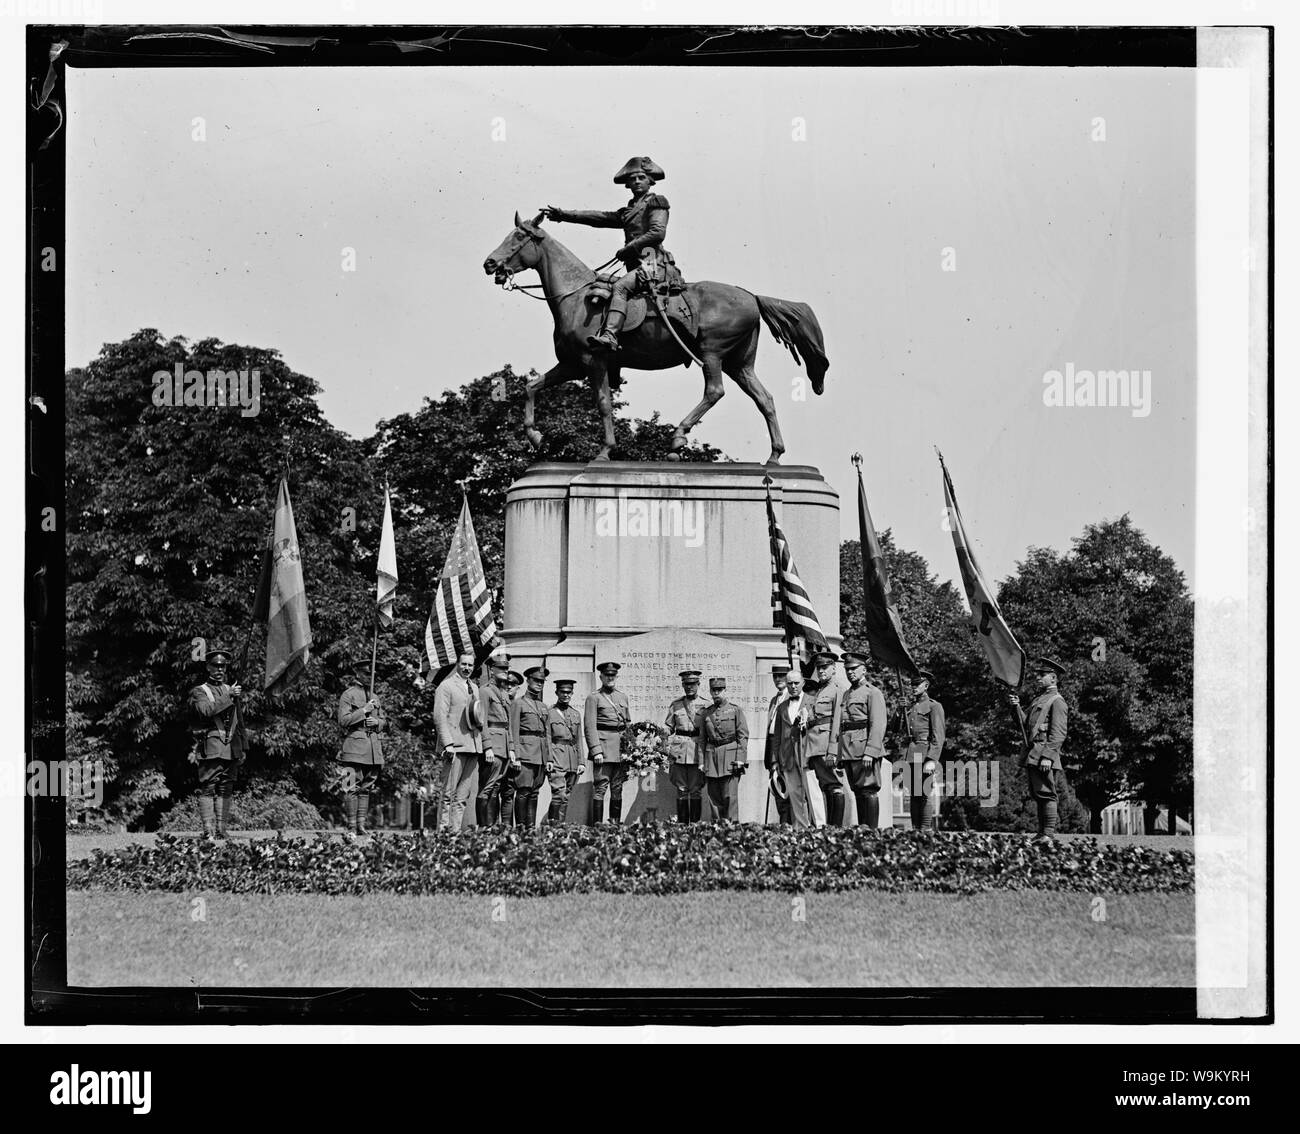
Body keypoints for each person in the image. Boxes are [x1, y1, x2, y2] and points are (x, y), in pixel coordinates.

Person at [542, 156, 673, 351]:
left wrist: (629, 248)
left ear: (650, 181)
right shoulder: (629, 210)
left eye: (641, 177)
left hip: (653, 264)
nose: (637, 181)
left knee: (620, 288)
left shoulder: (656, 202)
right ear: (627, 184)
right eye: (633, 179)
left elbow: (657, 233)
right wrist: (563, 215)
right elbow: (599, 218)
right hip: (637, 266)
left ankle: (610, 336)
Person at [188, 648, 246, 839]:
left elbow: (239, 721)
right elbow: (206, 711)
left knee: (226, 787)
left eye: (223, 666)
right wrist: (229, 695)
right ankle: (207, 830)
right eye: (216, 665)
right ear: (208, 667)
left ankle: (221, 830)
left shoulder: (230, 689)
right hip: (212, 745)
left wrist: (242, 747)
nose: (220, 669)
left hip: (231, 747)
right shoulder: (200, 691)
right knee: (208, 787)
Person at [1008, 657, 1069, 836]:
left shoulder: (1057, 701)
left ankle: (1048, 834)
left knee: (1047, 793)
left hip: (1044, 754)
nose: (1038, 678)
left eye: (1042, 675)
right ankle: (1042, 833)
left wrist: (1047, 757)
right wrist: (1016, 707)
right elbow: (1025, 724)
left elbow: (1059, 733)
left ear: (1053, 678)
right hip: (1033, 752)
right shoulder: (1040, 699)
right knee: (1038, 794)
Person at [433, 651, 484, 832]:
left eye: (470, 665)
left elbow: (476, 716)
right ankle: (443, 833)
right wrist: (447, 744)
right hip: (454, 747)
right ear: (457, 664)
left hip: (472, 746)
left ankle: (454, 834)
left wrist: (480, 745)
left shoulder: (475, 687)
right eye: (464, 664)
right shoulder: (446, 686)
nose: (467, 668)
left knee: (463, 795)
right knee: (448, 793)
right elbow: (440, 716)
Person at [836, 652, 887, 827]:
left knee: (869, 790)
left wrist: (871, 752)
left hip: (864, 750)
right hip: (849, 751)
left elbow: (878, 724)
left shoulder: (873, 693)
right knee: (857, 791)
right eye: (847, 669)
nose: (850, 672)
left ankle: (871, 832)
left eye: (854, 669)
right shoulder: (846, 695)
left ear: (863, 670)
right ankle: (862, 831)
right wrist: (840, 754)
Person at [765, 668, 819, 826]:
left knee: (813, 795)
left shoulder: (812, 701)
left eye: (796, 683)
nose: (793, 686)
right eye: (790, 684)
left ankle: (819, 828)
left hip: (807, 756)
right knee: (795, 796)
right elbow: (777, 737)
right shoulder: (782, 707)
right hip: (787, 758)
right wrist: (775, 760)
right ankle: (802, 829)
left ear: (802, 683)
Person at [335, 669, 386, 837]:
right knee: (350, 787)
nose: (370, 677)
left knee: (366, 788)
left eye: (372, 674)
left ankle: (361, 825)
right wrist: (364, 710)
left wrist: (377, 721)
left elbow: (384, 721)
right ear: (357, 674)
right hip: (353, 749)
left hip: (373, 750)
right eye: (366, 673)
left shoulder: (375, 696)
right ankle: (351, 826)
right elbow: (343, 721)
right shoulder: (348, 695)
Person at [697, 677, 749, 821]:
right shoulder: (706, 713)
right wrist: (701, 761)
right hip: (712, 759)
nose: (717, 693)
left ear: (725, 690)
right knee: (714, 798)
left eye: (719, 690)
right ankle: (717, 829)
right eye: (714, 690)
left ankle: (732, 831)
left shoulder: (735, 710)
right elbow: (702, 739)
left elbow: (743, 736)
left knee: (730, 797)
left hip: (731, 759)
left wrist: (740, 759)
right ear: (710, 692)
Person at [584, 661, 630, 824]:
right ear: (601, 676)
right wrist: (595, 750)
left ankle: (615, 824)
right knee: (600, 788)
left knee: (617, 789)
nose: (610, 678)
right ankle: (597, 827)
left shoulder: (622, 697)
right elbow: (589, 726)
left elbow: (627, 724)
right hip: (603, 749)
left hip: (620, 751)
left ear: (616, 676)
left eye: (613, 675)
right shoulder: (593, 698)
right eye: (607, 675)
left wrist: (630, 750)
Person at [805, 651, 847, 826]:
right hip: (815, 745)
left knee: (835, 786)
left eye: (825, 667)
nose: (821, 671)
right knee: (826, 787)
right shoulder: (820, 690)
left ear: (834, 668)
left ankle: (835, 828)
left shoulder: (838, 689)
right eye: (819, 668)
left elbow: (837, 721)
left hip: (827, 746)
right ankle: (829, 827)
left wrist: (833, 749)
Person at [510, 666, 552, 828]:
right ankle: (521, 830)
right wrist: (516, 755)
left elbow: (547, 733)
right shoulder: (519, 703)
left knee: (534, 793)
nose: (539, 684)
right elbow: (513, 730)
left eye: (542, 681)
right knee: (523, 792)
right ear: (528, 681)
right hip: (525, 754)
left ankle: (530, 830)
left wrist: (548, 758)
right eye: (536, 680)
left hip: (540, 756)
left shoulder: (543, 706)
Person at [904, 669, 946, 831]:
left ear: (926, 685)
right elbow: (895, 727)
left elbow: (938, 735)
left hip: (924, 754)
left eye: (917, 684)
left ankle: (925, 829)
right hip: (911, 754)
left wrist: (931, 760)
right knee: (913, 794)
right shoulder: (910, 707)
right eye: (912, 684)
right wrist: (899, 710)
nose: (913, 687)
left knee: (924, 793)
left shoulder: (934, 706)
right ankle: (915, 829)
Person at [665, 669, 708, 823]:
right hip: (679, 751)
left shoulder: (706, 705)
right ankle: (682, 826)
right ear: (683, 685)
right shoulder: (676, 705)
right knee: (681, 790)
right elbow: (668, 727)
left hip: (698, 751)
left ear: (698, 684)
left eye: (693, 684)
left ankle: (695, 826)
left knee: (696, 791)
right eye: (686, 684)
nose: (690, 687)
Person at [477, 654, 515, 825]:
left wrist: (512, 748)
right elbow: (482, 721)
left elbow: (509, 724)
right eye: (501, 668)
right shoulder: (485, 691)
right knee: (486, 787)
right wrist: (487, 746)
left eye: (507, 668)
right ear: (491, 670)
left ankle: (492, 827)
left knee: (496, 788)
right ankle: (483, 827)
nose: (505, 671)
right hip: (493, 743)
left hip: (504, 745)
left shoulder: (504, 693)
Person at [546, 679, 586, 823]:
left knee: (566, 795)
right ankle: (554, 828)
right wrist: (549, 759)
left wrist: (581, 762)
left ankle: (558, 826)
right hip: (557, 756)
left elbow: (579, 740)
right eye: (563, 692)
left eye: (568, 692)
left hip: (573, 758)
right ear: (557, 692)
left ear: (572, 693)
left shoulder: (575, 714)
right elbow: (548, 737)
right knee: (559, 794)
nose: (566, 695)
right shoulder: (550, 713)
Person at [763, 664, 793, 823]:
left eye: (782, 676)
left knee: (788, 788)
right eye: (775, 676)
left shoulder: (792, 697)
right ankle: (784, 822)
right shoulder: (775, 699)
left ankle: (787, 823)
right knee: (777, 787)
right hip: (772, 746)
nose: (778, 679)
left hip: (785, 747)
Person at [498, 670, 525, 824]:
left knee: (511, 792)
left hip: (516, 755)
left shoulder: (520, 704)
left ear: (518, 687)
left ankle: (509, 828)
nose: (509, 687)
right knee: (496, 791)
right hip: (500, 751)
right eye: (506, 683)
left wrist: (516, 753)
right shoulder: (499, 702)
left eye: (513, 684)